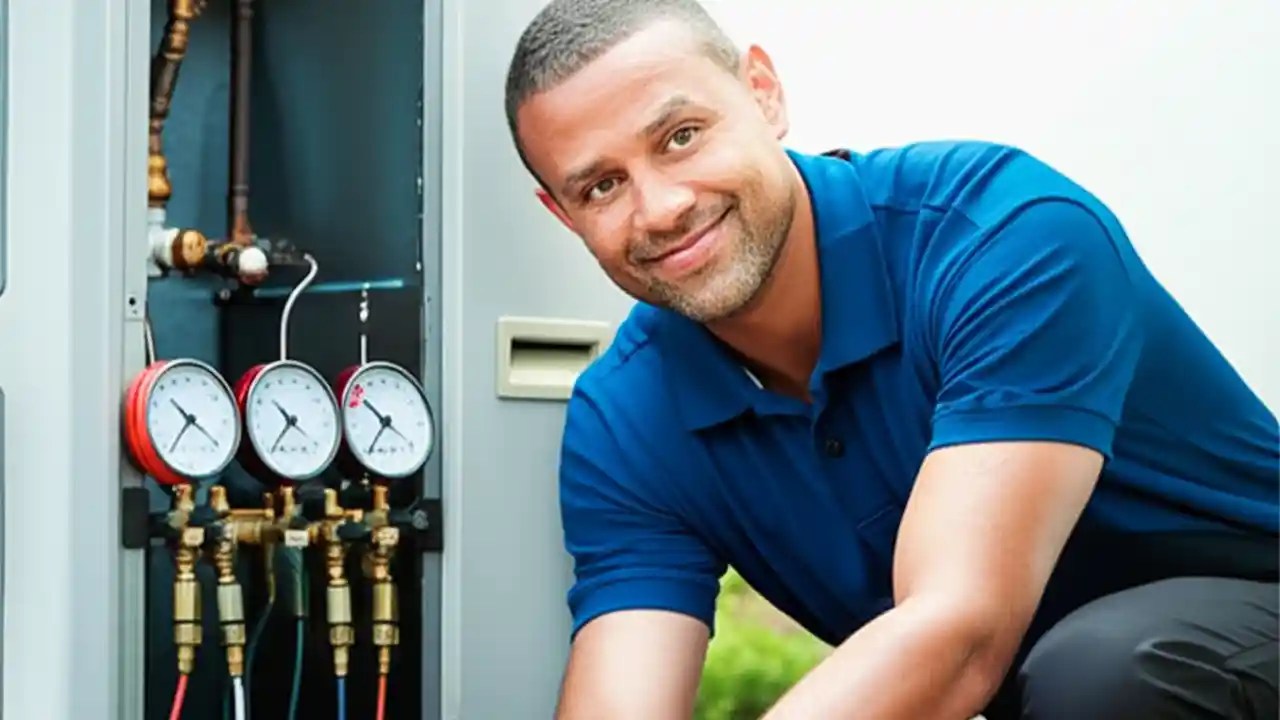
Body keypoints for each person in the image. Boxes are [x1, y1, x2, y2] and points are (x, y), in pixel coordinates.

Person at [503, 1, 1280, 717]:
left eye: (681, 136)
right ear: (562, 214)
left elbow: (958, 634)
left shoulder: (1004, 236)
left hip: (1242, 616)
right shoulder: (626, 418)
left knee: (1103, 671)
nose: (662, 208)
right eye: (602, 186)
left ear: (764, 93)